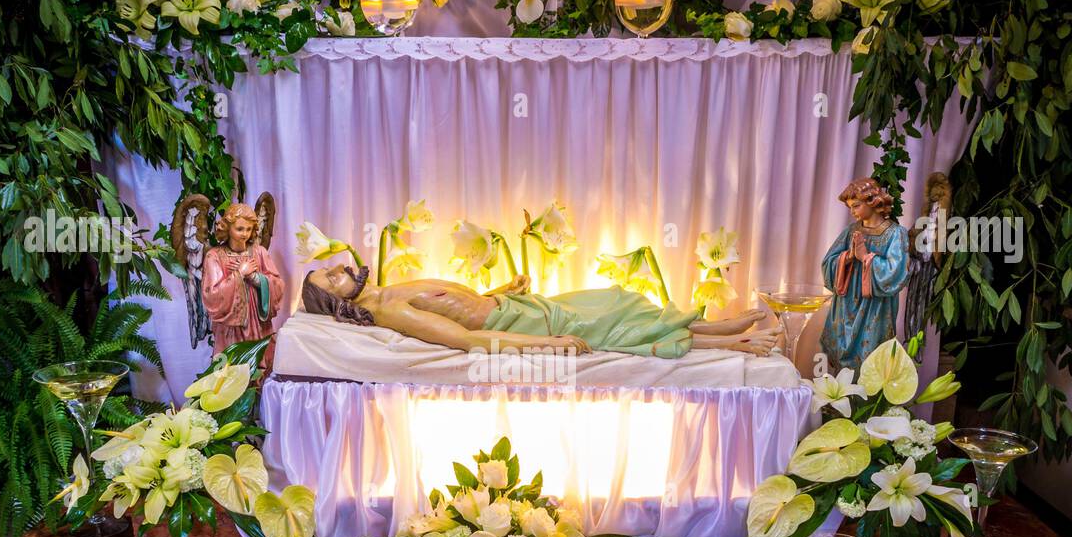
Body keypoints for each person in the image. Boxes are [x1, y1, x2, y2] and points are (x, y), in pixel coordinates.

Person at [298, 265, 778, 357]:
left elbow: (460, 306)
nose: (340, 269)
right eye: (331, 279)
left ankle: (715, 325)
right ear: (337, 302)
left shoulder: (385, 291)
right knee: (621, 328)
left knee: (620, 300)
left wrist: (502, 289)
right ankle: (730, 341)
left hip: (516, 305)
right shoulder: (391, 311)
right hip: (526, 324)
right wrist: (549, 345)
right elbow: (467, 339)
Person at [820, 177, 909, 372]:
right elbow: (828, 262)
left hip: (874, 309)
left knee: (870, 363)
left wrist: (866, 258)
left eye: (856, 206)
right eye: (850, 207)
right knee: (842, 369)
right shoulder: (851, 230)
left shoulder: (895, 233)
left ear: (873, 202)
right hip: (844, 307)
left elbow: (896, 272)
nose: (852, 212)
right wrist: (848, 257)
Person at [201, 203, 285, 366]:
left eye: (248, 229)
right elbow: (211, 294)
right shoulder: (215, 256)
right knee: (232, 370)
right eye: (239, 229)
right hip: (231, 330)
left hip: (259, 326)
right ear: (227, 228)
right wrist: (239, 274)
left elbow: (278, 284)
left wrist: (255, 278)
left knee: (258, 368)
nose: (245, 234)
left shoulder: (259, 252)